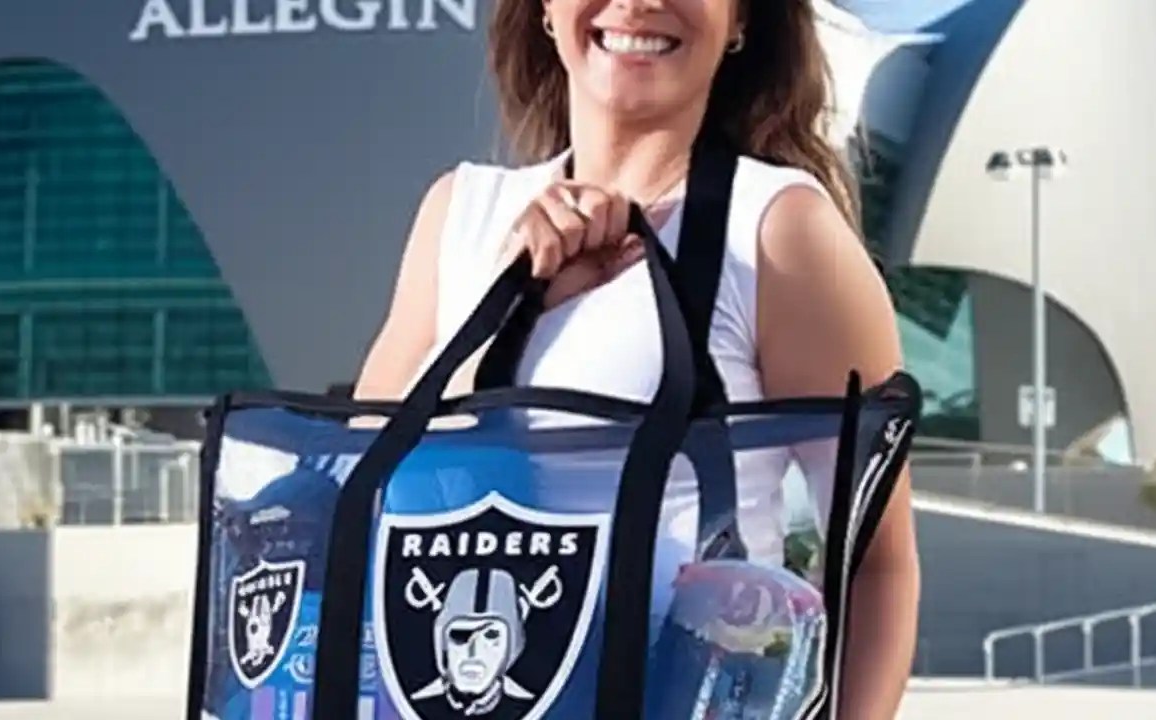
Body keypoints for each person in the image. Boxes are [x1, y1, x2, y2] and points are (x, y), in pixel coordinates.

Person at [353, 0, 919, 717]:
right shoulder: (460, 213)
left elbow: (876, 564)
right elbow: (357, 482)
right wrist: (513, 303)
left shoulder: (776, 231)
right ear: (545, 14)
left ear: (741, 20)